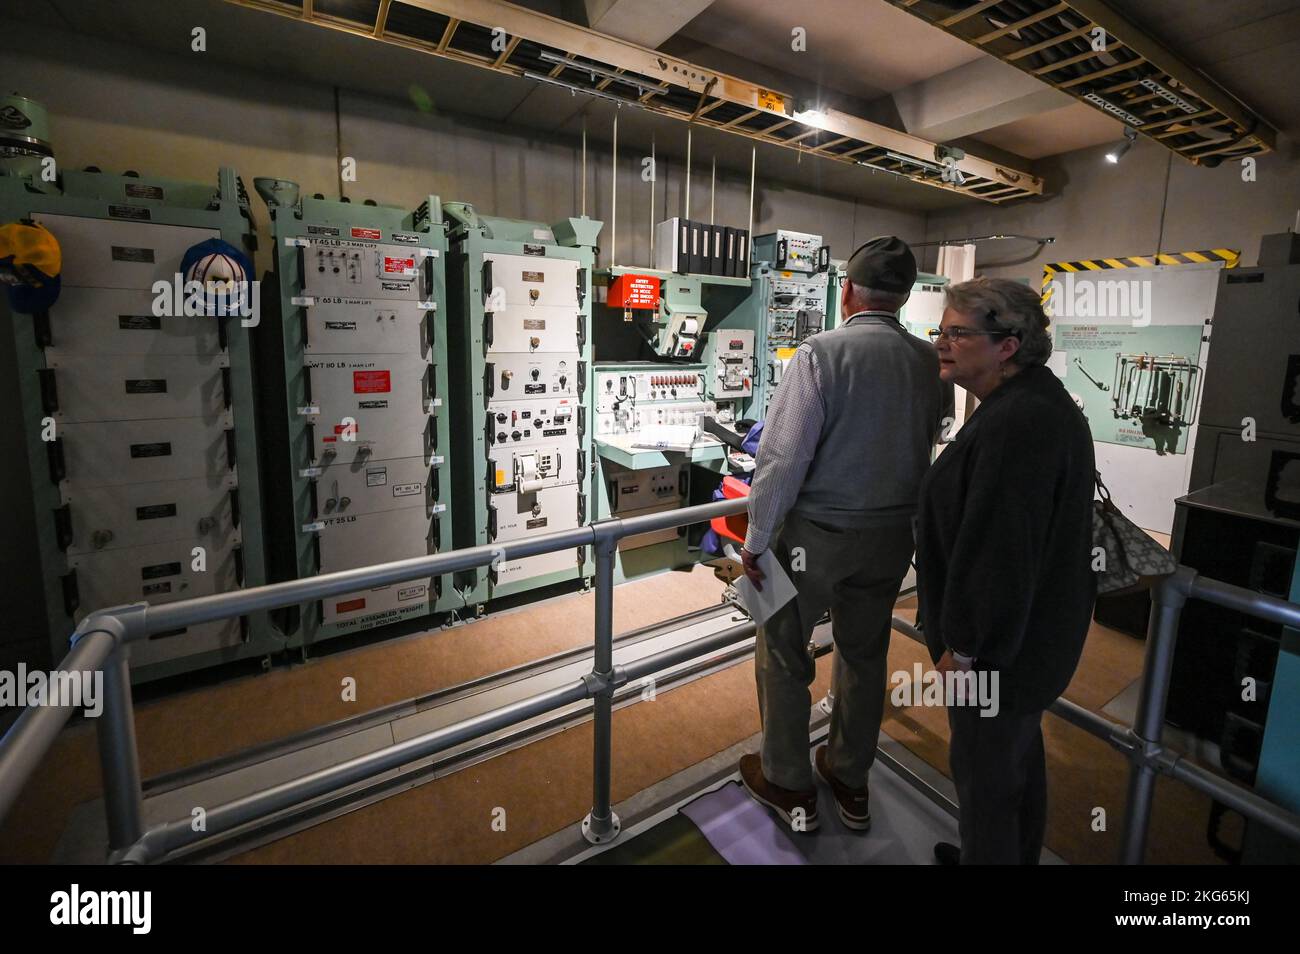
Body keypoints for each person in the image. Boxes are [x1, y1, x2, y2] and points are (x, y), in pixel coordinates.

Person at [738, 236, 951, 832]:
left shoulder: (819, 354)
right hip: (891, 538)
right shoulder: (931, 362)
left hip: (817, 535)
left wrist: (756, 542)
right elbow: (931, 441)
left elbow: (782, 460)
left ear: (848, 289)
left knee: (783, 651)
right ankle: (850, 777)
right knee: (864, 650)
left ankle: (787, 780)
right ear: (905, 297)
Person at [914, 276, 1096, 865]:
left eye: (958, 333)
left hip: (1000, 651)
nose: (942, 343)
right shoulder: (1030, 402)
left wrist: (964, 649)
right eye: (941, 331)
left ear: (1007, 345)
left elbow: (998, 551)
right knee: (1012, 759)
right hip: (1026, 642)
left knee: (985, 774)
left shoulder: (1020, 421)